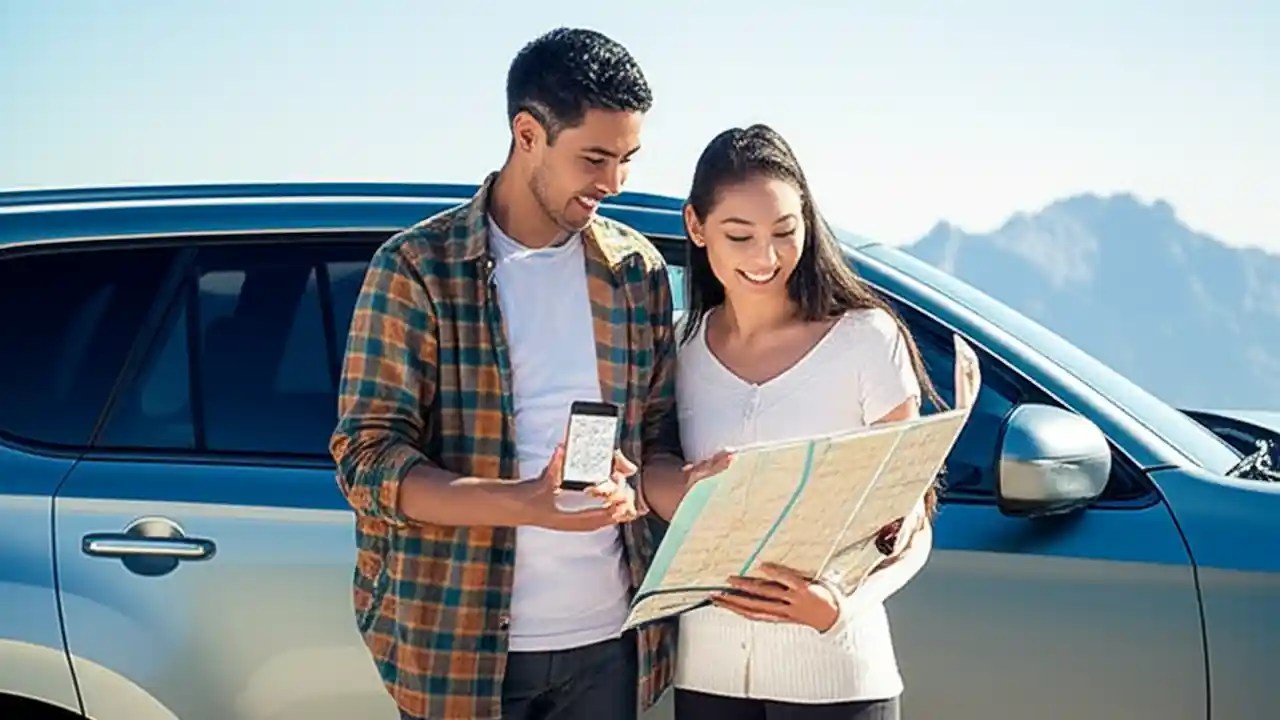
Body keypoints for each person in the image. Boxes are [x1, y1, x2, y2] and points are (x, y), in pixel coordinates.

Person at [329, 27, 682, 720]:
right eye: (595, 157)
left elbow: (660, 435)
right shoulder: (417, 270)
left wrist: (670, 483)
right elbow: (366, 462)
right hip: (457, 648)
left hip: (611, 647)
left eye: (628, 158)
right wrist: (525, 501)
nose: (613, 184)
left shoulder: (636, 274)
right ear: (528, 134)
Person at [639, 124, 945, 720]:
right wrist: (683, 489)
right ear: (696, 228)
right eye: (740, 235)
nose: (767, 257)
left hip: (837, 680)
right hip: (709, 679)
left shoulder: (864, 340)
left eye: (785, 232)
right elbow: (648, 470)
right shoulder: (679, 348)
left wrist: (838, 603)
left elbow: (910, 516)